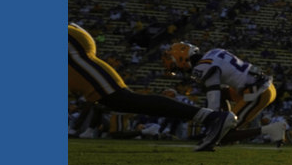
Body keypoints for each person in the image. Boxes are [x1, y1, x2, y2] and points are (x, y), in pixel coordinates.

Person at [69, 23, 235, 152]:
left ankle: (212, 117)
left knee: (120, 99)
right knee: (113, 101)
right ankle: (211, 117)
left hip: (71, 42)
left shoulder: (206, 68)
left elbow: (216, 92)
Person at [163, 42, 277, 145]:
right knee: (222, 121)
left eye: (174, 62)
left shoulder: (202, 67)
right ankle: (226, 126)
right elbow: (223, 89)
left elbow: (214, 98)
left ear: (182, 58)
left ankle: (270, 130)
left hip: (258, 91)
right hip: (264, 86)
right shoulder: (214, 52)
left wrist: (214, 123)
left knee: (221, 134)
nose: (177, 68)